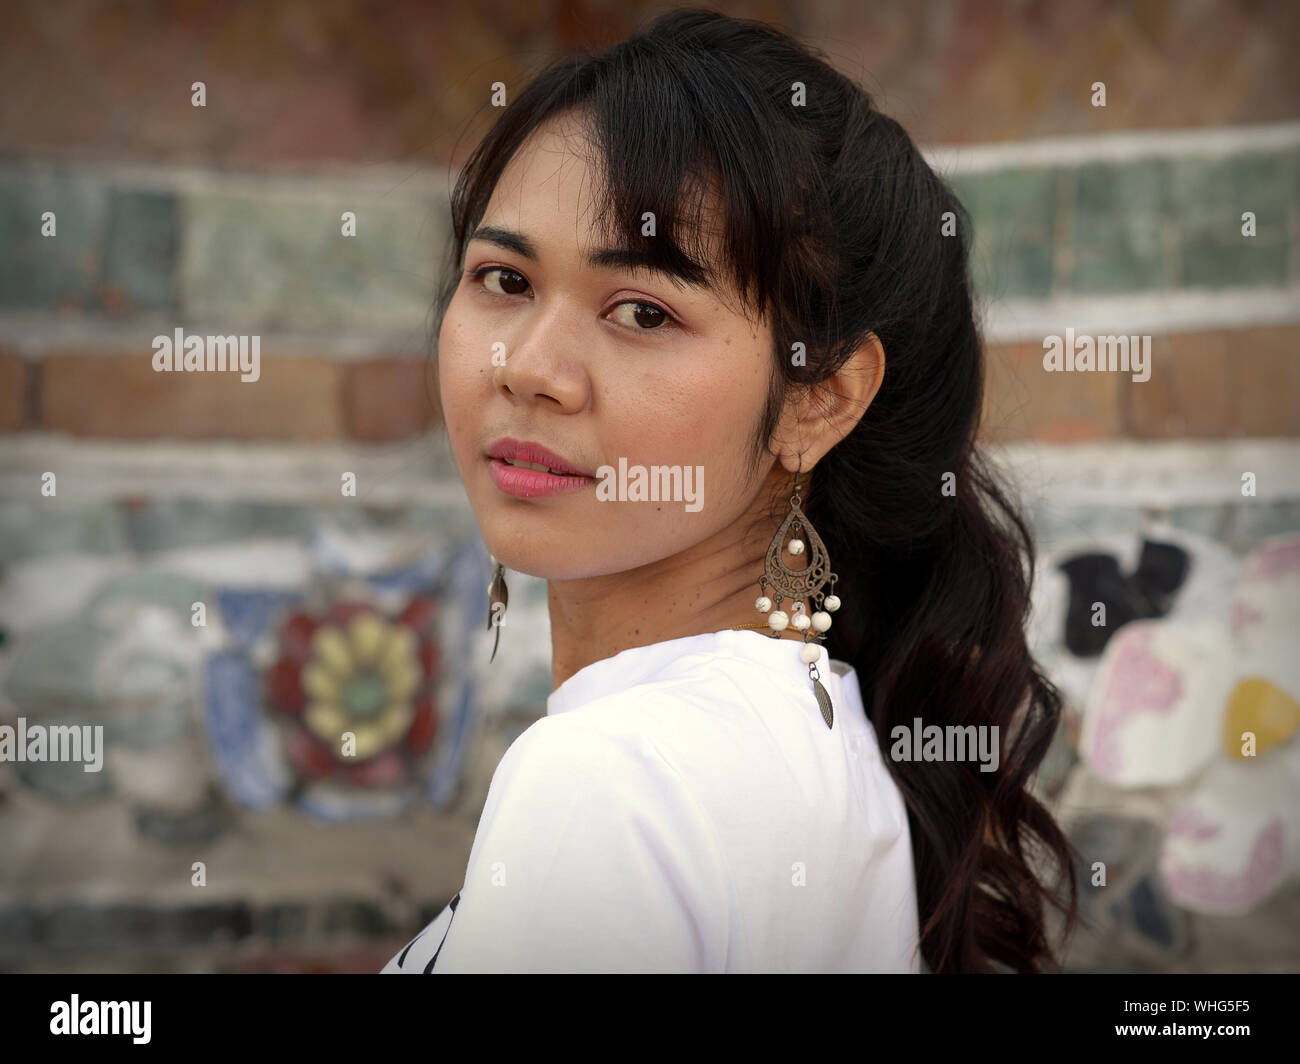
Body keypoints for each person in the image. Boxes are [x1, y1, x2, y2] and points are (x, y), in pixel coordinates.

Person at [381, 7, 1077, 974]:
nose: (530, 368)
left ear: (819, 400)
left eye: (641, 310)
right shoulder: (827, 747)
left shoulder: (609, 779)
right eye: (503, 280)